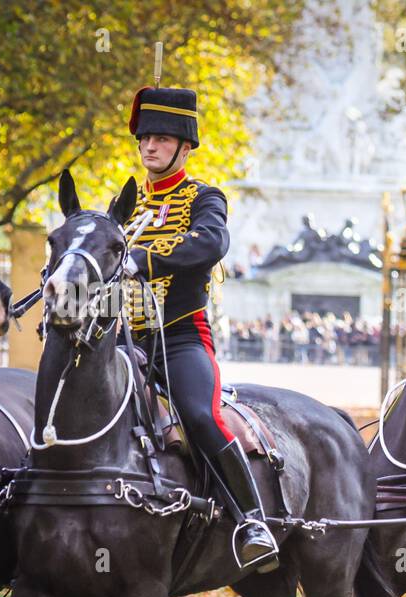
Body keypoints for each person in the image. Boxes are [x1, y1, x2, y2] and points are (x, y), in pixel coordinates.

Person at [123, 85, 278, 571]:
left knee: (199, 413)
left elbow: (210, 244)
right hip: (122, 342)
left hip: (180, 338)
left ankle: (253, 520)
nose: (150, 146)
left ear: (185, 147)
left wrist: (142, 258)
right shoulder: (125, 203)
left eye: (162, 138)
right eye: (145, 137)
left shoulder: (203, 198)